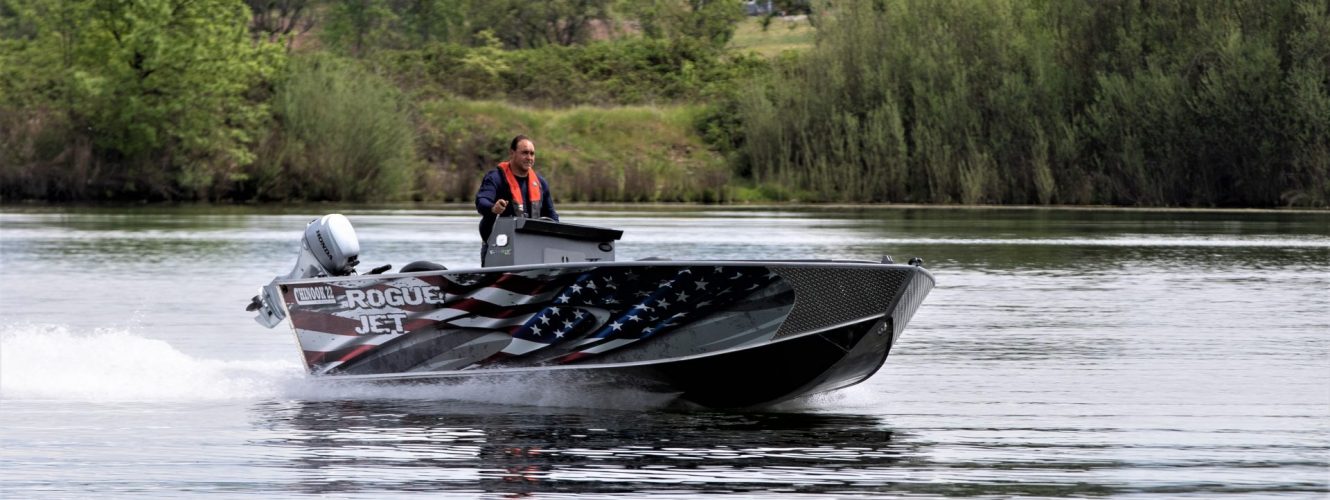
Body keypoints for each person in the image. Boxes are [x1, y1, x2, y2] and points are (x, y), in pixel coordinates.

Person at [475, 135, 559, 264]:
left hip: (532, 249)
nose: (529, 158)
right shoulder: (495, 178)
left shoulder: (541, 183)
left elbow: (552, 216)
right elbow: (481, 201)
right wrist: (493, 208)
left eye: (532, 154)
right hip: (498, 249)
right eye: (525, 153)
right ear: (512, 153)